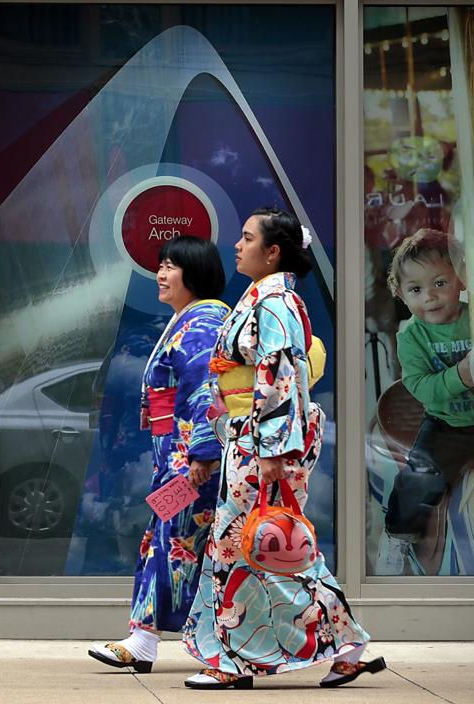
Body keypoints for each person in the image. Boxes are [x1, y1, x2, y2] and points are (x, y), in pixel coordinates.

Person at [182, 207, 385, 689]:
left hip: (264, 444)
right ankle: (343, 646)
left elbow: (278, 374)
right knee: (271, 546)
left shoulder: (273, 303)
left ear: (273, 253)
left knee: (255, 545)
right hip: (251, 437)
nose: (237, 244)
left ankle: (237, 663)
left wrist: (272, 448)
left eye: (247, 238)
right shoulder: (265, 297)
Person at [88, 236, 228, 672]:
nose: (161, 274)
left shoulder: (204, 322)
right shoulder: (187, 320)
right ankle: (146, 639)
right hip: (177, 460)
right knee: (167, 542)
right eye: (161, 265)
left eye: (171, 266)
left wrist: (202, 451)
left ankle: (147, 639)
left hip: (195, 464)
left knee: (177, 544)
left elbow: (206, 391)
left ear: (195, 273)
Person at [384, 229, 474, 574]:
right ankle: (398, 534)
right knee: (418, 477)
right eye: (416, 290)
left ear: (461, 280)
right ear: (401, 295)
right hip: (446, 424)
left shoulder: (470, 319)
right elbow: (421, 388)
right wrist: (462, 375)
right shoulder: (411, 335)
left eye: (440, 283)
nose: (431, 297)